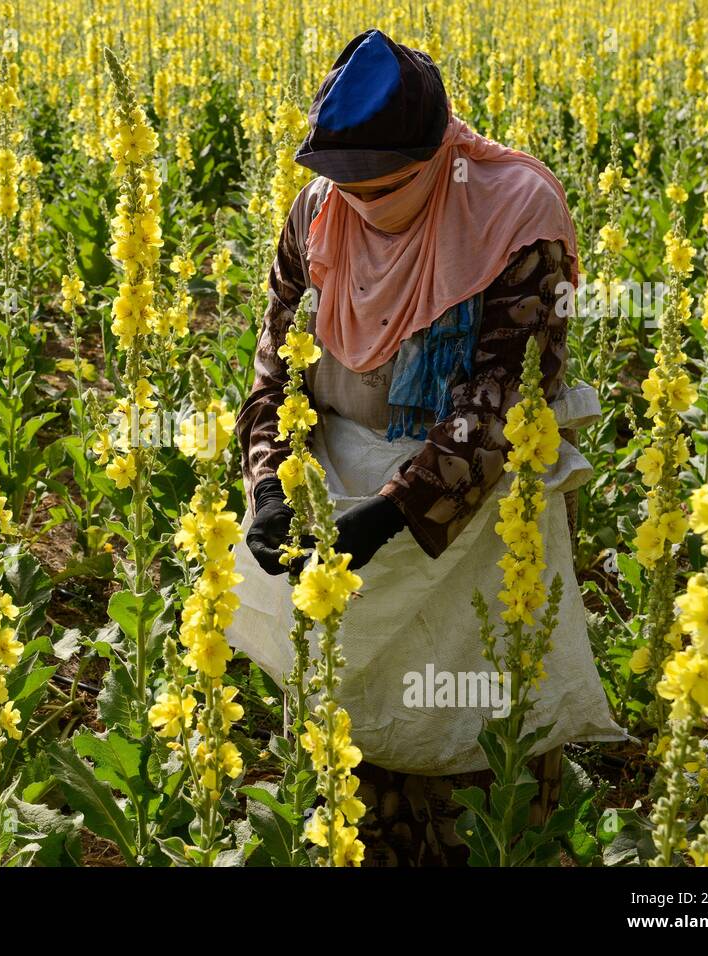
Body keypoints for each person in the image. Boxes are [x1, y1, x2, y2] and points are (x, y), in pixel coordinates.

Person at [228, 28, 624, 866]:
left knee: (468, 727)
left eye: (384, 184)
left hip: (467, 510)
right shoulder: (318, 215)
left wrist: (390, 515)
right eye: (344, 183)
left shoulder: (516, 216)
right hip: (330, 493)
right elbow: (274, 366)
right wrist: (268, 485)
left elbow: (504, 396)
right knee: (348, 728)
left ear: (438, 153)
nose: (360, 202)